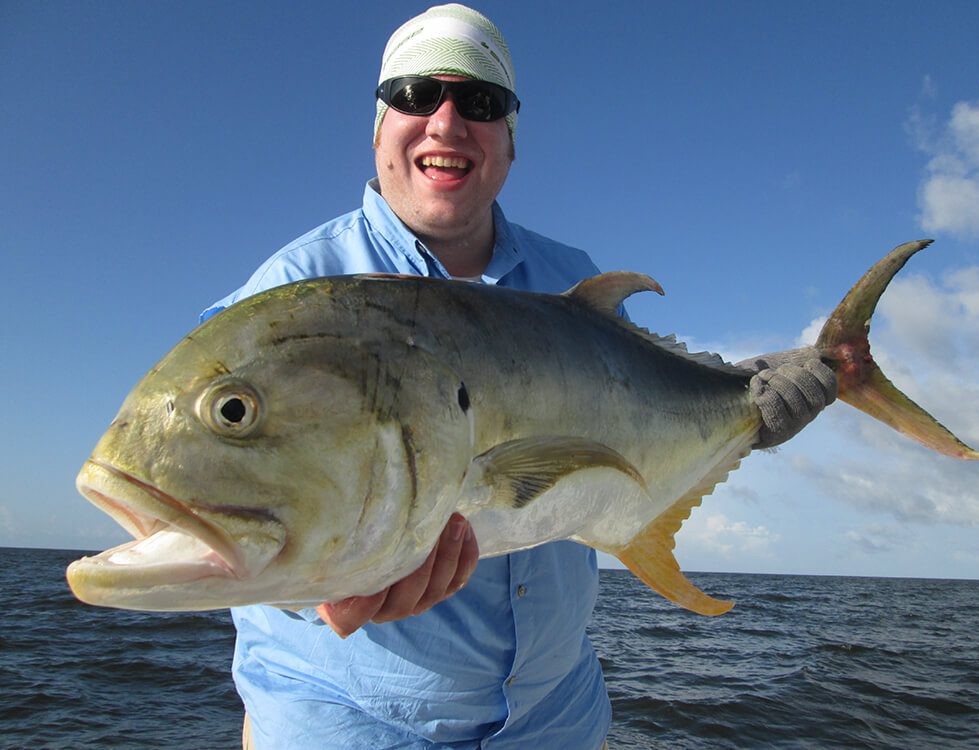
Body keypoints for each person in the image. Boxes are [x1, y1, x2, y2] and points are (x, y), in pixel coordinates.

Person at [202, 5, 836, 749]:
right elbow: (234, 519)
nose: (444, 122)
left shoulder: (570, 280)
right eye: (414, 95)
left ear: (509, 141)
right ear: (378, 127)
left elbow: (648, 424)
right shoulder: (284, 304)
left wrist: (743, 413)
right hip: (350, 727)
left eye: (480, 102)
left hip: (558, 718)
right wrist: (316, 593)